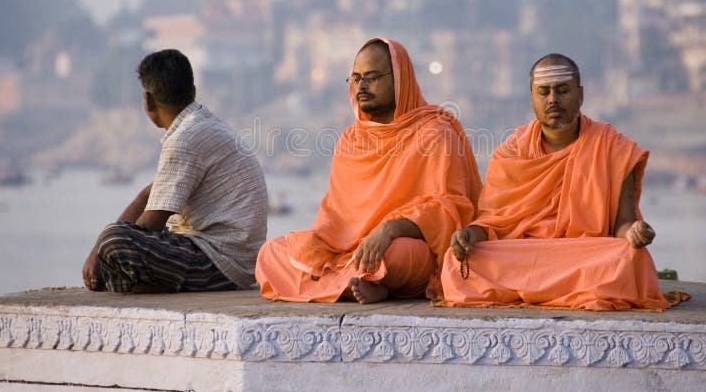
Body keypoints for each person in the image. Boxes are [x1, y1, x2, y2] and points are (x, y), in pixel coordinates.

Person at [442, 53, 678, 311]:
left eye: (562, 90)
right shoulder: (510, 153)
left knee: (630, 257)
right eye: (543, 92)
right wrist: (468, 235)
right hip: (526, 257)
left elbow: (623, 223)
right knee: (457, 263)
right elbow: (491, 226)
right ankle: (568, 290)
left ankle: (532, 290)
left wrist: (634, 233)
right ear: (532, 98)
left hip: (582, 256)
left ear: (581, 95)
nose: (552, 99)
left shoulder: (612, 146)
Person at [256, 38, 482, 303]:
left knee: (398, 255)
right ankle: (364, 281)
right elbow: (336, 218)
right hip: (349, 251)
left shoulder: (435, 133)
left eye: (372, 78)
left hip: (399, 247)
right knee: (271, 253)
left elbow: (450, 210)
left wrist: (389, 230)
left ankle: (352, 282)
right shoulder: (350, 140)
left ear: (400, 79)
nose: (361, 86)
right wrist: (321, 243)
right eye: (356, 78)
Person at [81, 49, 268, 293]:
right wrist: (100, 250)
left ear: (148, 100)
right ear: (192, 90)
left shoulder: (185, 138)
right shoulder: (198, 125)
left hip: (220, 263)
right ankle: (136, 282)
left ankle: (140, 284)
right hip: (227, 258)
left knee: (114, 240)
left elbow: (151, 223)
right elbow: (149, 195)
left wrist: (101, 250)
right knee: (112, 240)